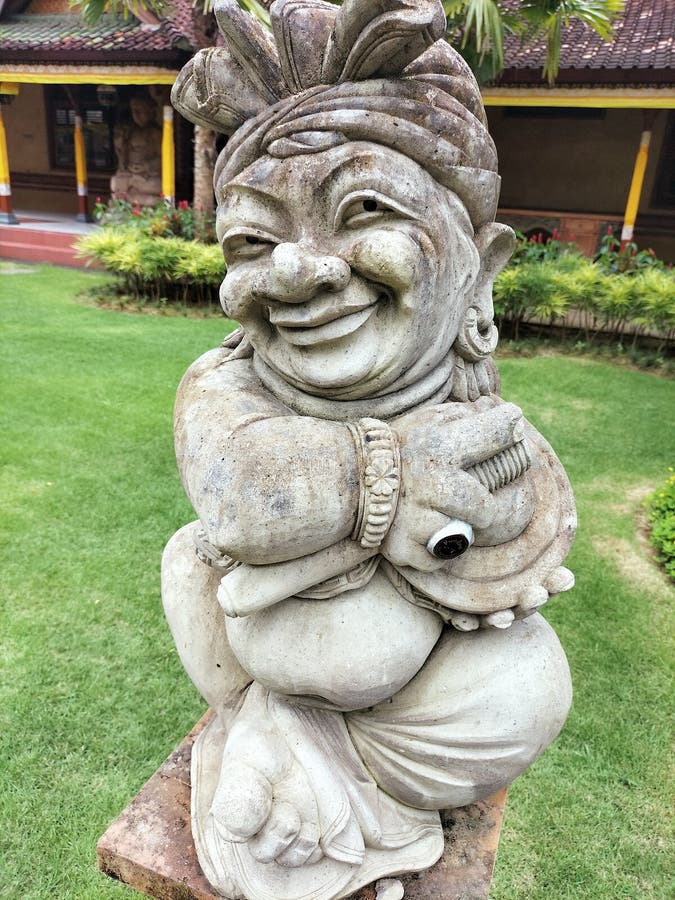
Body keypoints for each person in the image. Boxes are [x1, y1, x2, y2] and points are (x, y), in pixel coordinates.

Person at [162, 2, 576, 898]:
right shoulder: (226, 382)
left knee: (526, 687)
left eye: (361, 212)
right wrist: (392, 481)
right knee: (191, 559)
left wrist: (498, 548)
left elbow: (526, 501)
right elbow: (239, 496)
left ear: (481, 267)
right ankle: (271, 733)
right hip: (262, 646)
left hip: (413, 703)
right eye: (253, 239)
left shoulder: (461, 382)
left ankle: (321, 769)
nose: (297, 270)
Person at [110, 92, 162, 207]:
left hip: (148, 177)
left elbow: (164, 159)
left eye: (140, 110)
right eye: (133, 111)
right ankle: (130, 198)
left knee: (157, 185)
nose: (136, 115)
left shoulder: (155, 133)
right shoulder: (130, 131)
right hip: (130, 175)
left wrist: (146, 166)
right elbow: (122, 159)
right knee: (115, 182)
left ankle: (128, 198)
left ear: (150, 111)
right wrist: (120, 144)